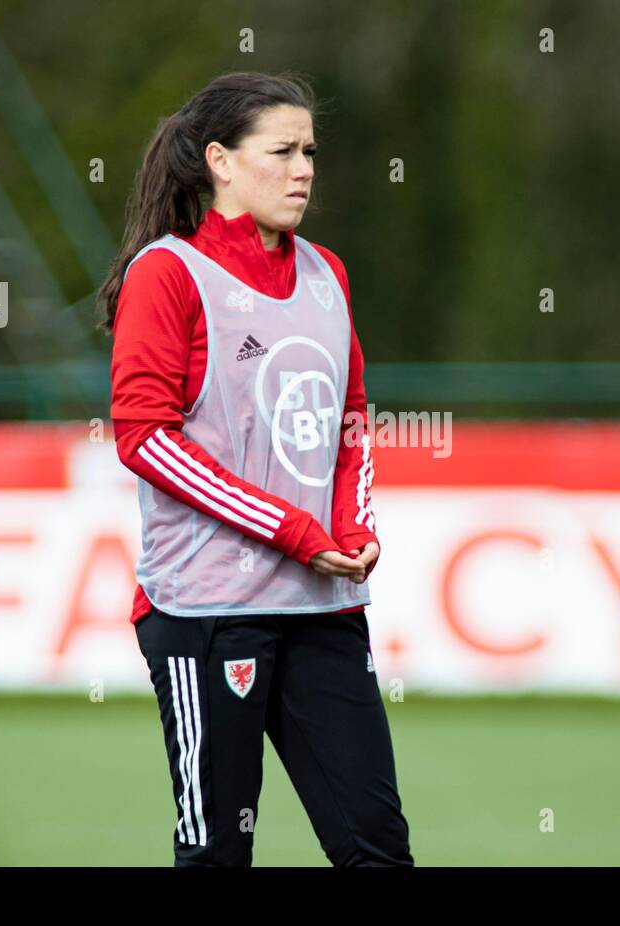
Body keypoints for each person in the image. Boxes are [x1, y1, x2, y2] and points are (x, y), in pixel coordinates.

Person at [98, 71, 413, 867]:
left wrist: (354, 526)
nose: (305, 168)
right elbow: (144, 437)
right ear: (221, 162)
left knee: (376, 848)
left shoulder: (326, 273)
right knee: (216, 857)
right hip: (208, 610)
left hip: (324, 604)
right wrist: (293, 529)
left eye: (310, 151)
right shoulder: (168, 274)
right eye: (282, 151)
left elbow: (349, 420)